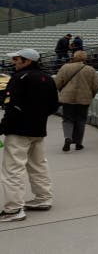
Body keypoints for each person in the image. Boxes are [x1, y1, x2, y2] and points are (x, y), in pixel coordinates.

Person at [0, 48, 60, 222]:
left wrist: (3, 127)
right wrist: (38, 118)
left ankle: (13, 209)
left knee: (12, 170)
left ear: (27, 61)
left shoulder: (19, 78)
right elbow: (54, 106)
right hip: (38, 129)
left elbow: (12, 106)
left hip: (18, 131)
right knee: (38, 164)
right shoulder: (48, 78)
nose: (14, 62)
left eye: (17, 59)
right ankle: (43, 198)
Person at [54, 51, 98, 152]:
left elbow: (57, 83)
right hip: (84, 99)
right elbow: (96, 86)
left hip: (67, 98)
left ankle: (68, 137)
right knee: (81, 120)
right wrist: (91, 95)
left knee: (67, 119)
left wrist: (63, 91)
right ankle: (78, 144)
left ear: (73, 58)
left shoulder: (65, 67)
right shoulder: (90, 70)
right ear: (85, 59)